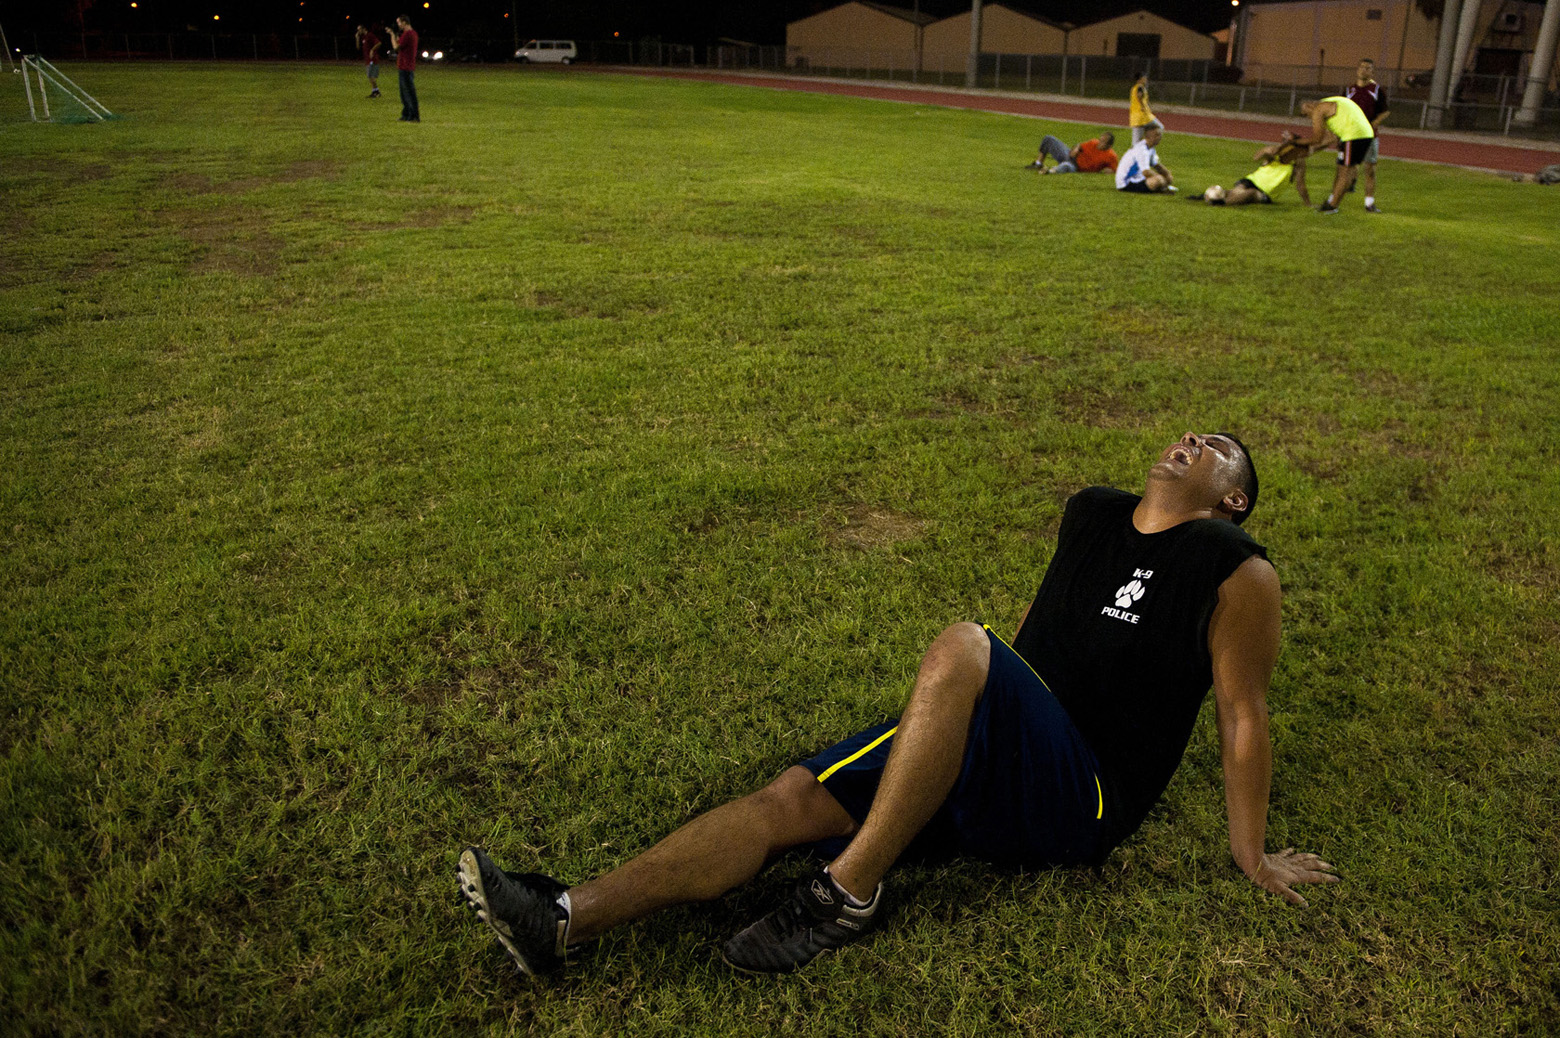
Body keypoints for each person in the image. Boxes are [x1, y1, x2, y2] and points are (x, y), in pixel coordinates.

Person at [457, 432, 1339, 977]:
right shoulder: (1093, 512)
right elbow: (1035, 635)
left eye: (1218, 446)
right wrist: (953, 729)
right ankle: (564, 919)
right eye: (1190, 429)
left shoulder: (1235, 567)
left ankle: (846, 894)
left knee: (964, 644)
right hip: (1000, 745)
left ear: (1236, 497)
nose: (1192, 437)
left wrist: (1251, 855)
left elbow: (1243, 714)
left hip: (1086, 796)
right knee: (789, 798)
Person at [1293, 96, 1375, 214]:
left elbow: (1317, 138)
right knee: (1343, 170)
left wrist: (1296, 142)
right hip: (1363, 133)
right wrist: (1311, 150)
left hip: (1353, 135)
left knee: (1345, 173)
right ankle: (1332, 202)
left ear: (1309, 106)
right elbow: (1330, 138)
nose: (1308, 118)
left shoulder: (1319, 109)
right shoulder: (1331, 103)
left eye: (1305, 114)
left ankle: (1333, 206)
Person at [1202, 139, 1316, 207]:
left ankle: (1222, 202)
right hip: (1252, 180)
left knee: (1250, 193)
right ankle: (1212, 196)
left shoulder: (1298, 164)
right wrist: (1266, 150)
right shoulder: (1274, 156)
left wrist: (1308, 203)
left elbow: (1300, 185)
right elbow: (1257, 157)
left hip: (1266, 193)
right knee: (1238, 190)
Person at [1344, 59, 1390, 213]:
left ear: (1372, 72)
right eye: (1362, 67)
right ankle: (1335, 199)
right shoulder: (1349, 90)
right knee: (1347, 168)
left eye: (1368, 68)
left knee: (1370, 169)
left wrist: (1372, 125)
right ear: (1357, 70)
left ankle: (1369, 203)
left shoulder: (1377, 90)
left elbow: (1385, 112)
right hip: (1351, 135)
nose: (1364, 70)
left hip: (1370, 136)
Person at [1115, 126, 1174, 194]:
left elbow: (1156, 165)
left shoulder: (1150, 148)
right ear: (1148, 137)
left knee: (1166, 177)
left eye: (1160, 135)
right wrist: (1160, 178)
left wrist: (1167, 174)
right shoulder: (1142, 150)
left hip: (1137, 178)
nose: (1159, 137)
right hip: (1126, 182)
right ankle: (1161, 189)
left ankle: (1161, 188)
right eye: (1156, 135)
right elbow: (1146, 172)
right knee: (1157, 181)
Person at [1026, 131, 1118, 174]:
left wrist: (1106, 171)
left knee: (1066, 166)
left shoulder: (1111, 156)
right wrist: (1076, 148)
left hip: (1076, 167)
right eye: (1100, 140)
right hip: (1070, 156)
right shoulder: (1093, 142)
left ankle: (1050, 171)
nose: (1099, 143)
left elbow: (1114, 170)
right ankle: (1038, 163)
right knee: (1049, 138)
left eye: (1103, 142)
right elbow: (1079, 145)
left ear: (1109, 146)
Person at [388, 15, 419, 122]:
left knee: (408, 93)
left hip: (406, 67)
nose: (398, 25)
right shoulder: (412, 33)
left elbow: (396, 47)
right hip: (406, 67)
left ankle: (413, 116)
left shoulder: (408, 34)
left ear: (405, 22)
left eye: (399, 22)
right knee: (404, 93)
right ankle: (406, 114)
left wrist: (392, 35)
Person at [1129, 73, 1163, 145]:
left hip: (1137, 117)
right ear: (1140, 79)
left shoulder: (1134, 88)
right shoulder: (1139, 87)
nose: (1146, 79)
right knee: (1160, 127)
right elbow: (1140, 96)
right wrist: (1143, 107)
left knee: (1136, 141)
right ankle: (1148, 143)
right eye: (1144, 78)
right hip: (1143, 116)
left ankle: (1145, 144)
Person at [354, 24, 382, 99]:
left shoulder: (370, 35)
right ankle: (375, 91)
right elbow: (358, 47)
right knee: (370, 76)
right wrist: (357, 38)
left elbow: (379, 43)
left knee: (371, 75)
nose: (358, 31)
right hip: (367, 59)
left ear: (364, 29)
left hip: (372, 59)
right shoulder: (363, 37)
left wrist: (372, 50)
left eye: (359, 29)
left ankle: (376, 92)